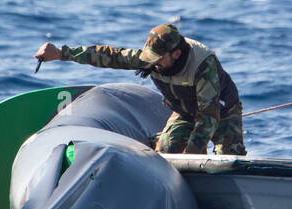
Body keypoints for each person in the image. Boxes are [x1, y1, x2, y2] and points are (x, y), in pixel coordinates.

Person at [34, 23, 246, 155]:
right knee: (167, 150)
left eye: (158, 59)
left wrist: (190, 155)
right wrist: (61, 53)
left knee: (227, 157)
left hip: (221, 112)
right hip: (186, 112)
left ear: (176, 54)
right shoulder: (150, 59)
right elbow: (110, 56)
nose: (152, 64)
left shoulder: (202, 65)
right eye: (149, 58)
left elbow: (208, 118)